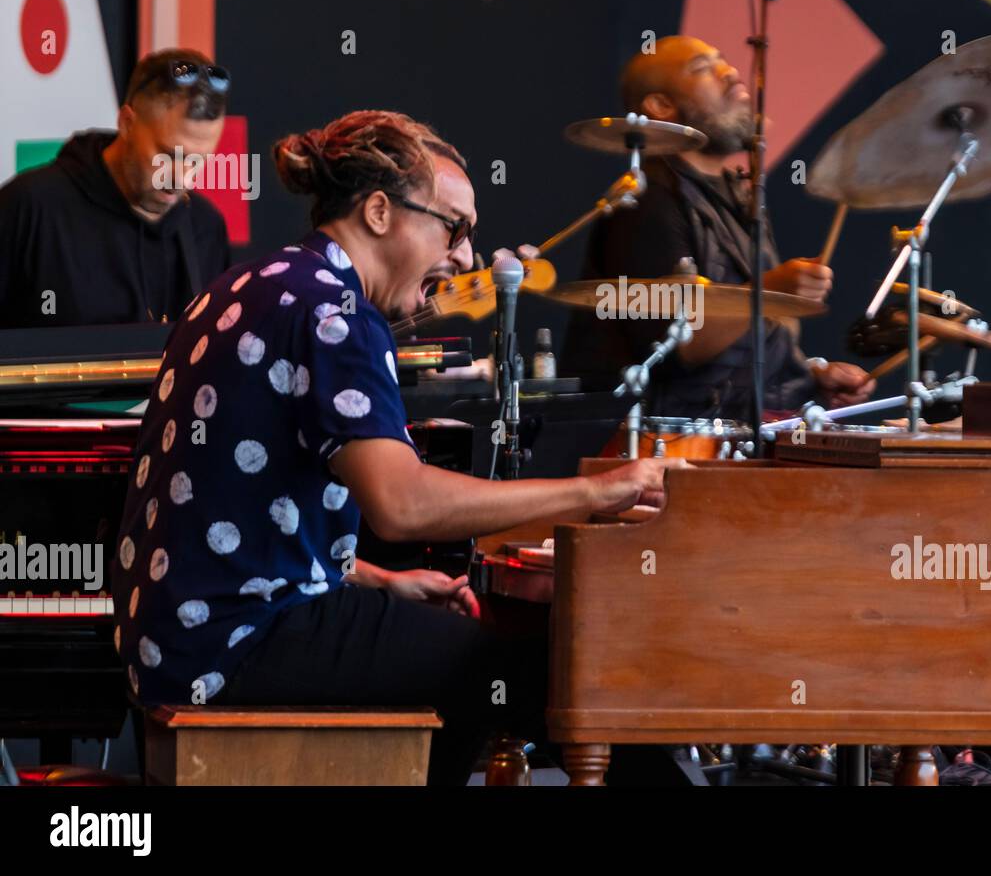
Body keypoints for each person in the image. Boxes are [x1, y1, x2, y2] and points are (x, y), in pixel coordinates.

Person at [110, 109, 679, 784]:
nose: (466, 257)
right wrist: (596, 491)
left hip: (178, 641)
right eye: (454, 227)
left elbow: (241, 513)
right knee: (546, 675)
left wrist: (379, 582)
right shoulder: (337, 312)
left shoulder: (249, 286)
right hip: (239, 643)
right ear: (380, 212)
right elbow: (402, 506)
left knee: (467, 667)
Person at [562, 36, 874, 420]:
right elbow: (677, 348)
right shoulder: (648, 203)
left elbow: (747, 345)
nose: (731, 73)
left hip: (757, 424)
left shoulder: (739, 197)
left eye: (724, 61)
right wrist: (767, 291)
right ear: (661, 106)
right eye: (703, 68)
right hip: (677, 442)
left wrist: (810, 374)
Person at [0, 48, 231, 328]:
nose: (181, 180)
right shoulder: (29, 207)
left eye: (198, 160)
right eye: (169, 155)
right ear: (127, 123)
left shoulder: (206, 228)